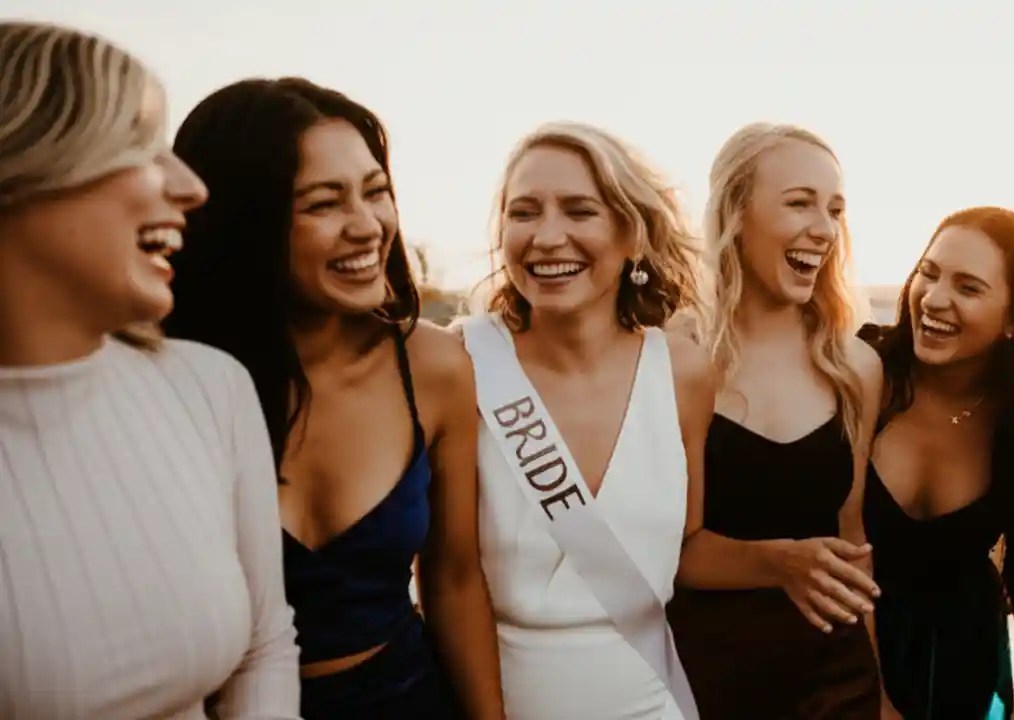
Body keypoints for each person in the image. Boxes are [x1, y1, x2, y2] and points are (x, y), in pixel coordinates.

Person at [164, 78, 503, 719]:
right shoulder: (168, 379)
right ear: (245, 222)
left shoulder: (433, 367)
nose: (367, 225)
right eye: (324, 203)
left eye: (375, 192)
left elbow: (454, 579)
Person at [0, 22, 301, 719]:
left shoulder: (208, 386)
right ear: (22, 163)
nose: (190, 187)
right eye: (140, 145)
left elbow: (265, 648)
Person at [458, 121, 710, 719]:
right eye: (524, 213)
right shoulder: (459, 364)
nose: (548, 237)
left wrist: (786, 561)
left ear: (634, 236)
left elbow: (688, 543)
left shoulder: (684, 372)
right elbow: (450, 578)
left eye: (579, 211)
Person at [666, 123, 886, 720]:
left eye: (835, 209)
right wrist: (777, 563)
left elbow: (851, 538)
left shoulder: (855, 366)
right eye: (799, 203)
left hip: (837, 683)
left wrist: (880, 689)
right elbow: (667, 554)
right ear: (736, 214)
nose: (824, 228)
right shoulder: (673, 357)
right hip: (706, 678)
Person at [857, 207, 1014, 719]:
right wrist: (876, 702)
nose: (933, 299)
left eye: (968, 287)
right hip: (846, 652)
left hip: (964, 670)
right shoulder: (862, 370)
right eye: (928, 273)